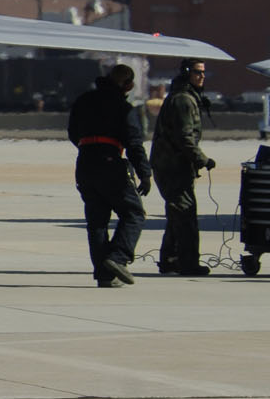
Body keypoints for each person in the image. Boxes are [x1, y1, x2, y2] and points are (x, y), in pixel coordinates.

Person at [67, 64, 151, 287]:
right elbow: (134, 144)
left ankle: (104, 276)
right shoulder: (123, 107)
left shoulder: (83, 100)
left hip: (84, 163)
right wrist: (145, 174)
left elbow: (72, 133)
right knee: (134, 213)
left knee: (97, 221)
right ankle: (118, 258)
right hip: (110, 162)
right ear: (129, 85)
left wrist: (89, 149)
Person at [150, 58, 217, 275]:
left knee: (177, 212)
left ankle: (169, 259)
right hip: (172, 167)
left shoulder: (184, 97)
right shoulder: (183, 100)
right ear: (187, 73)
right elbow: (184, 137)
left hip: (173, 165)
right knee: (185, 213)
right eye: (198, 72)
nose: (202, 76)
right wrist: (202, 159)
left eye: (204, 73)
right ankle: (187, 263)